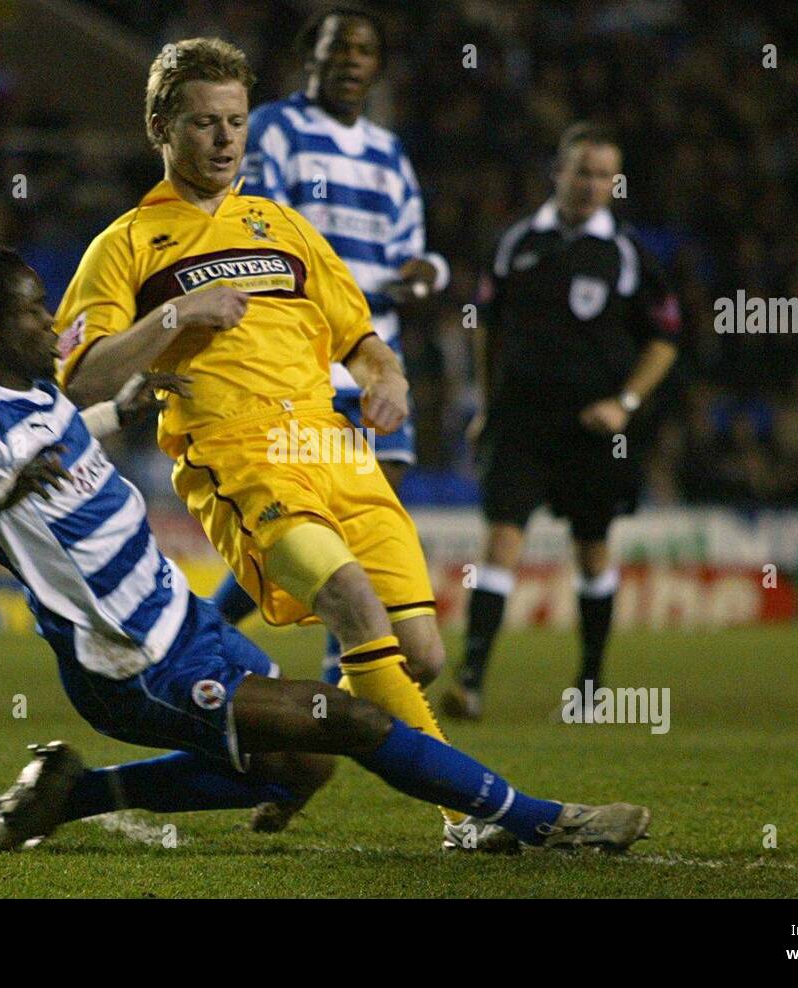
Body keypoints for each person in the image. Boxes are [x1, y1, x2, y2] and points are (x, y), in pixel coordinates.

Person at [0, 245, 652, 856]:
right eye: (32, 310)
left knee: (302, 768)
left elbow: (58, 440)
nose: (51, 320)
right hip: (133, 661)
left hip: (180, 619)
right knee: (349, 722)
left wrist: (117, 413)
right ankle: (546, 822)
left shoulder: (30, 389)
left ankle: (71, 793)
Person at [53, 37, 468, 839]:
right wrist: (174, 316)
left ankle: (288, 739)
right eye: (203, 123)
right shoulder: (125, 244)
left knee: (420, 656)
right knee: (351, 601)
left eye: (236, 122)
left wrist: (389, 378)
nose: (224, 140)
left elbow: (362, 336)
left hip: (335, 448)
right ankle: (468, 814)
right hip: (242, 455)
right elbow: (83, 378)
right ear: (159, 128)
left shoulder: (281, 225)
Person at [211, 5, 449, 686]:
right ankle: (202, 635)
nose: (351, 59)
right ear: (307, 56)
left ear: (378, 66)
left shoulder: (389, 151)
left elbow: (409, 248)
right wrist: (385, 279)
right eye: (336, 46)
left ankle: (335, 692)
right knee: (296, 533)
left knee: (364, 532)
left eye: (365, 49)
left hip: (377, 361)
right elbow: (270, 239)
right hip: (303, 361)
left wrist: (430, 271)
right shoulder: (275, 131)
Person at [441, 123, 681, 722]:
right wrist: (487, 406)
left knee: (593, 550)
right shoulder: (518, 243)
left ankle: (590, 690)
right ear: (559, 173)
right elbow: (488, 332)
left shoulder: (627, 254)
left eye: (604, 175)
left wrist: (623, 404)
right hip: (520, 422)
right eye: (582, 171)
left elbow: (666, 341)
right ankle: (470, 685)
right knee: (500, 540)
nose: (592, 185)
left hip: (592, 432)